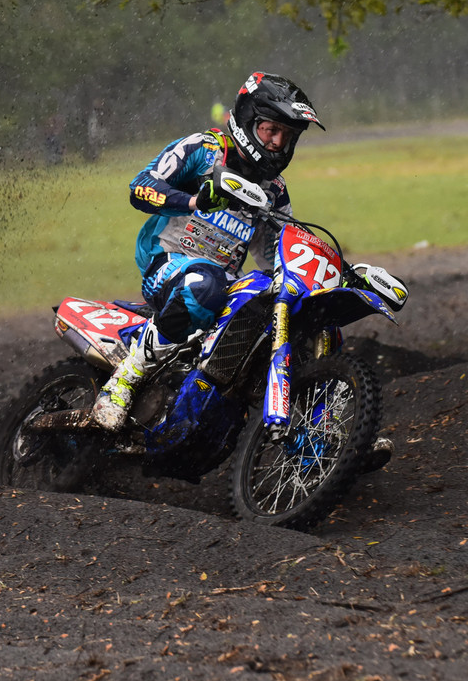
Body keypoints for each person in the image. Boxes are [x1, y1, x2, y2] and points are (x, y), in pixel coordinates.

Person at [90, 72, 324, 429]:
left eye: (287, 136)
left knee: (306, 312)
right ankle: (124, 379)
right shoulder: (203, 149)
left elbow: (279, 248)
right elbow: (140, 188)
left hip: (225, 281)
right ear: (249, 121)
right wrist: (194, 200)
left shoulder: (275, 189)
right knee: (205, 285)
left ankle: (326, 429)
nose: (277, 143)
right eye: (270, 131)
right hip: (167, 263)